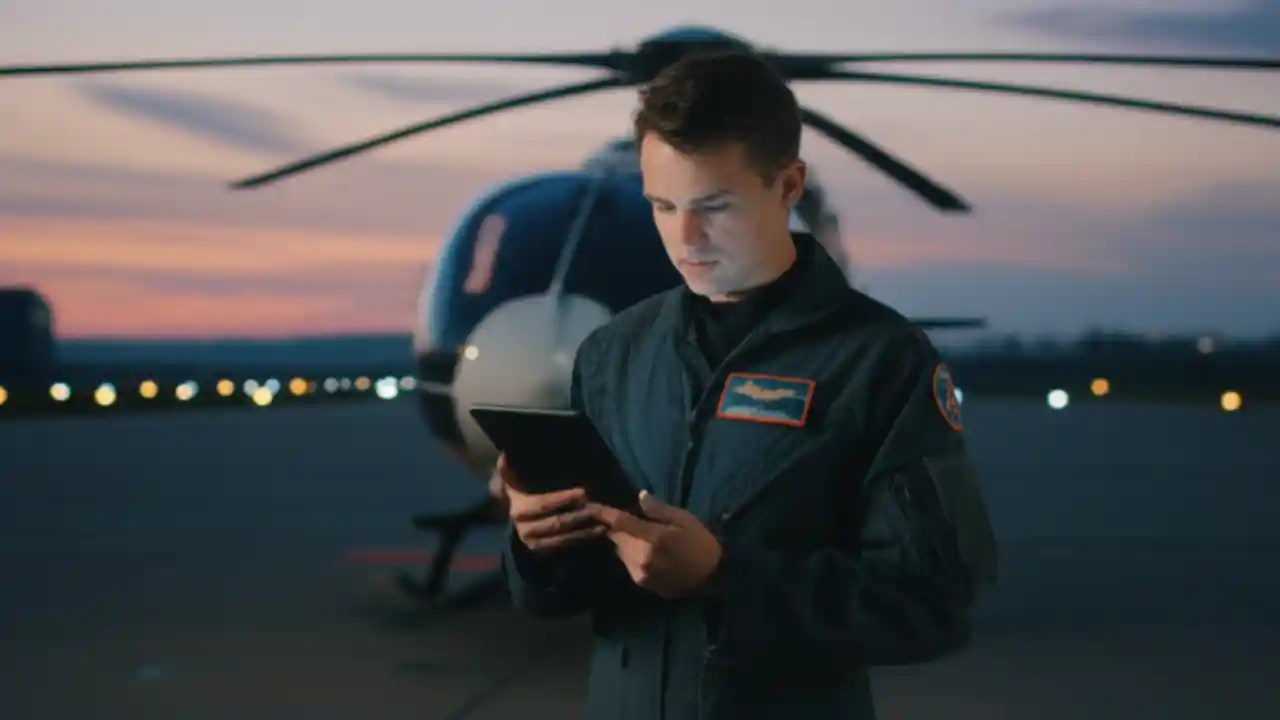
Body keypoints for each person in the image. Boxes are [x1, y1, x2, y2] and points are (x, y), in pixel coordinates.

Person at [497, 49, 999, 720]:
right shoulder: (612, 356)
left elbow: (931, 604)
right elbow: (561, 596)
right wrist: (537, 546)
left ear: (788, 187)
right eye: (662, 205)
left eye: (714, 206)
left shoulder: (880, 361)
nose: (685, 237)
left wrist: (725, 575)